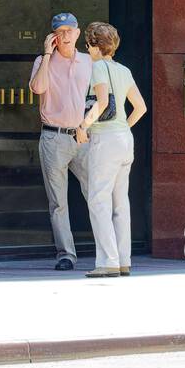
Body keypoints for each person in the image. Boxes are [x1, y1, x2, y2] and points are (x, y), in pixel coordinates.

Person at [76, 21, 147, 278]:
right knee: (121, 202)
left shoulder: (98, 68)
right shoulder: (124, 70)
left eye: (88, 44)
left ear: (94, 46)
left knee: (98, 200)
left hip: (105, 141)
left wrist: (83, 125)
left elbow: (103, 101)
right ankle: (123, 259)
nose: (87, 49)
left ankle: (107, 261)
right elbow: (140, 108)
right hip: (125, 139)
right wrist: (122, 128)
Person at [29, 12, 93, 270]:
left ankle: (109, 250)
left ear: (78, 33)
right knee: (58, 202)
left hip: (82, 137)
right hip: (53, 138)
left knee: (97, 194)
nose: (65, 35)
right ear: (53, 35)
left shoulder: (90, 62)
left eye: (69, 30)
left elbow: (100, 98)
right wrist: (46, 55)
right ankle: (66, 254)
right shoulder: (42, 61)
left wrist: (85, 125)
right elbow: (37, 88)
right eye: (60, 31)